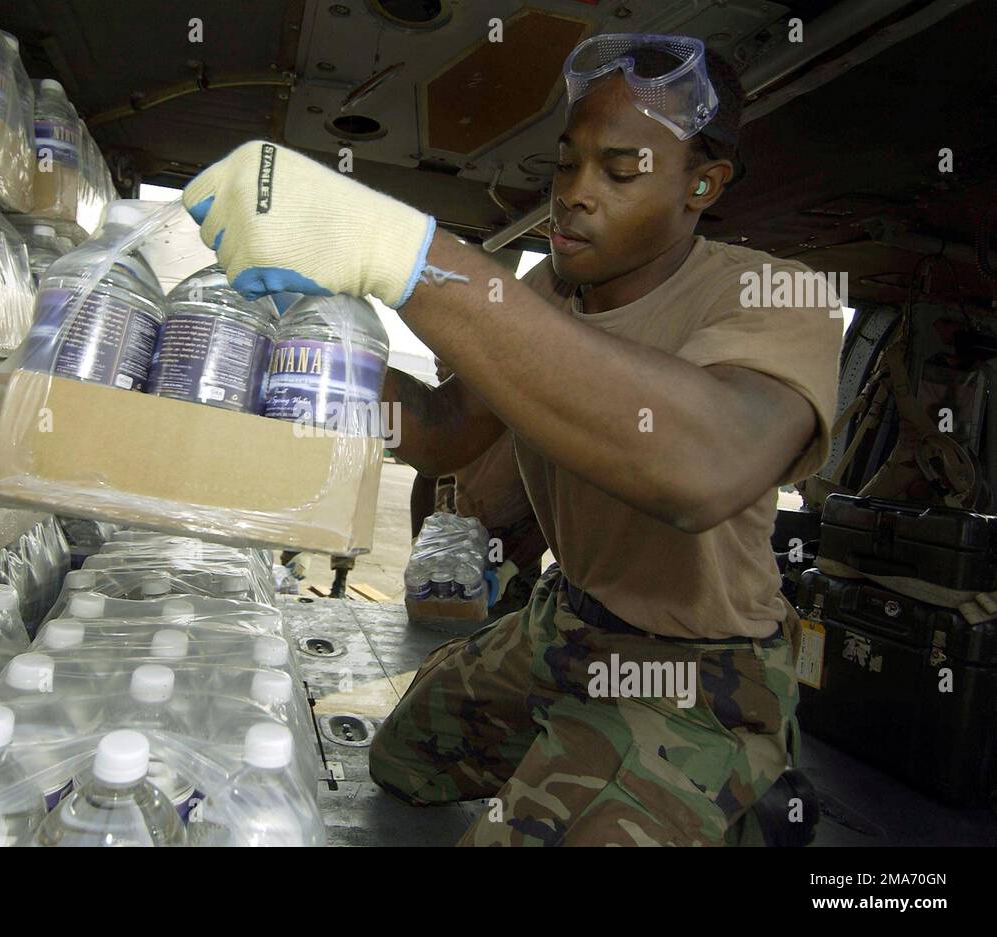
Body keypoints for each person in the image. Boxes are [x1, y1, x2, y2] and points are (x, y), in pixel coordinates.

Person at [183, 34, 843, 845]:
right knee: (402, 761)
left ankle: (740, 798)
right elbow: (448, 428)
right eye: (567, 165)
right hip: (565, 620)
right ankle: (581, 751)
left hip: (695, 668)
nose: (576, 195)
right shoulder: (551, 290)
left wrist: (401, 255)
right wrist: (313, 355)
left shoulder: (776, 298)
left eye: (621, 170)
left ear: (702, 185)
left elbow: (704, 467)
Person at [411, 362, 548, 618]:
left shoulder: (526, 421)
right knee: (445, 627)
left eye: (446, 365)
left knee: (503, 633)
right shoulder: (455, 416)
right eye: (436, 364)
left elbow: (549, 517)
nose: (439, 372)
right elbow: (425, 476)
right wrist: (418, 544)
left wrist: (508, 570)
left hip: (515, 546)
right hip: (463, 539)